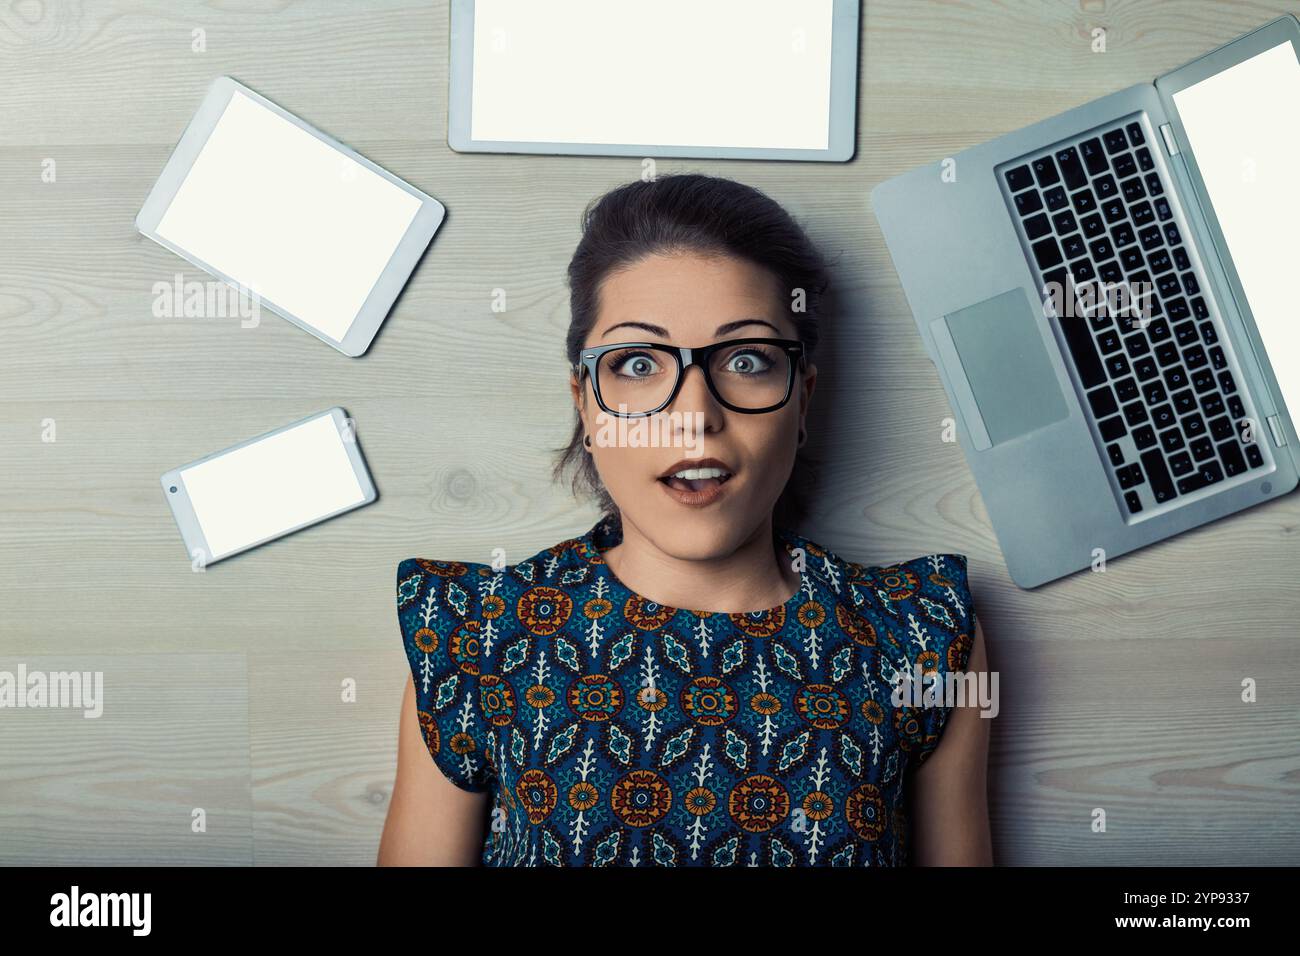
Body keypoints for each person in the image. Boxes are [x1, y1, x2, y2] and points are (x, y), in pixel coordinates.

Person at [378, 173, 992, 866]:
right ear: (586, 402)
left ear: (803, 401)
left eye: (748, 359)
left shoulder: (924, 638)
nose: (696, 417)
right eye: (639, 362)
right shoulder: (474, 638)